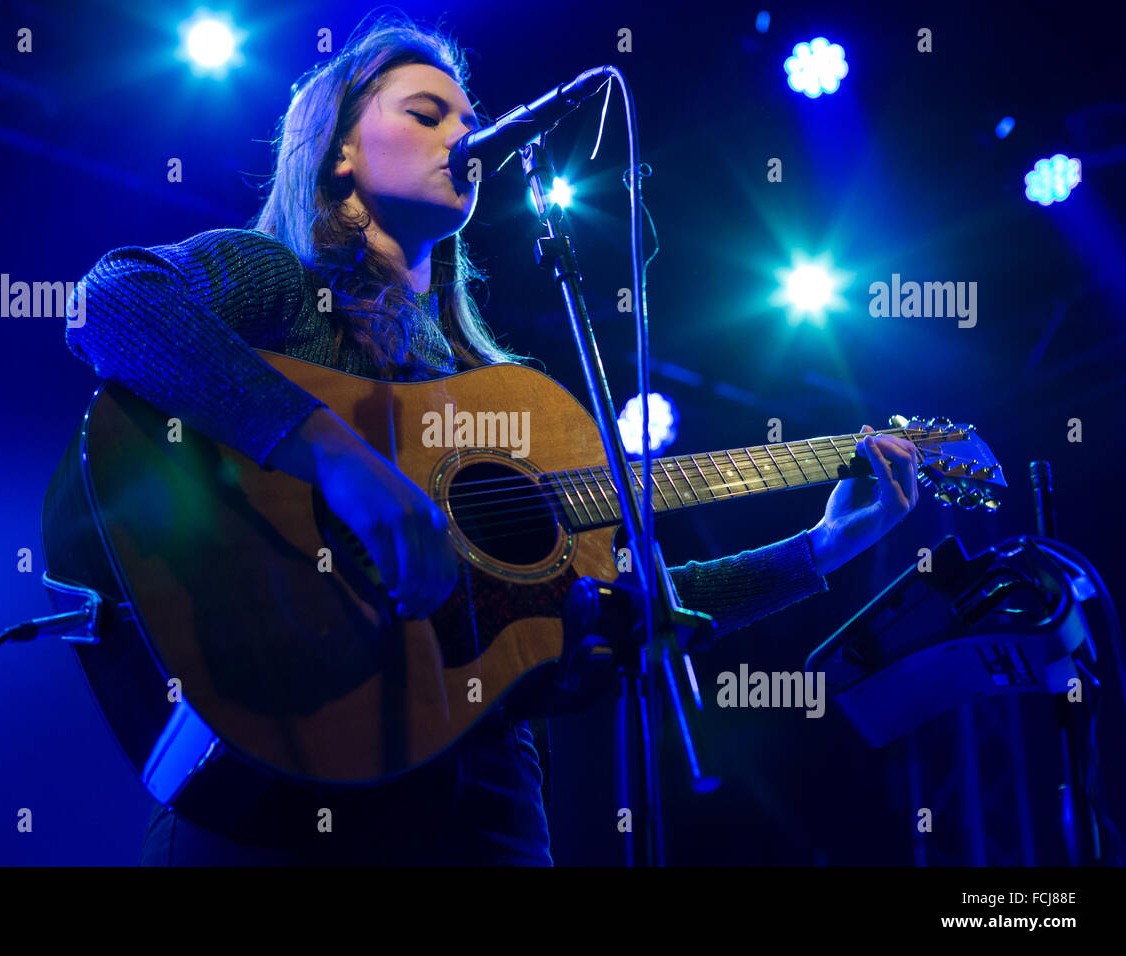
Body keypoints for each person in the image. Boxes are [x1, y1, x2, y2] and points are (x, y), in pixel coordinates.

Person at [63, 13, 920, 866]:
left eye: (470, 121)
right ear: (340, 153)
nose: (464, 136)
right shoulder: (278, 283)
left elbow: (622, 594)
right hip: (283, 758)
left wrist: (826, 545)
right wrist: (331, 453)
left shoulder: (498, 388)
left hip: (485, 789)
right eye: (426, 114)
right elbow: (112, 301)